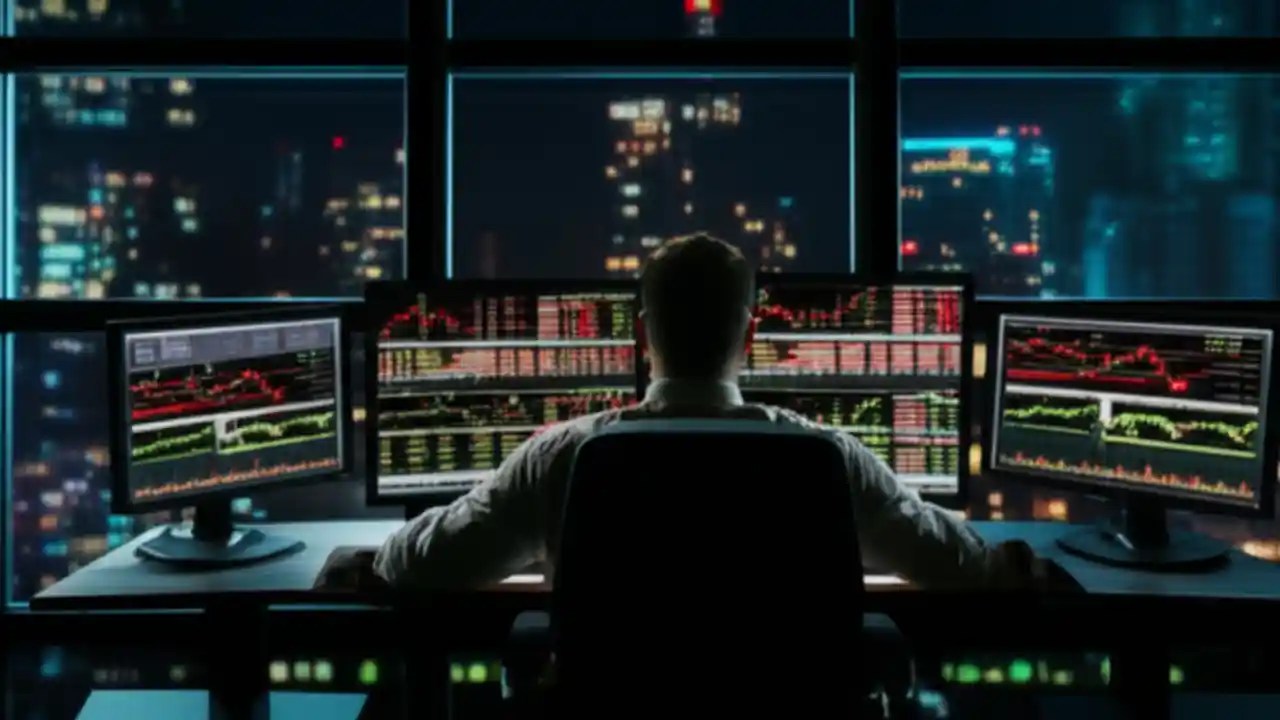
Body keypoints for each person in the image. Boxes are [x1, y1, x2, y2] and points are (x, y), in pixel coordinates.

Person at [346, 234, 1051, 591]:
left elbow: (430, 564)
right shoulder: (827, 460)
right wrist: (1019, 565)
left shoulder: (562, 456)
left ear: (640, 333)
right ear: (750, 337)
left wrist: (371, 558)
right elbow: (956, 566)